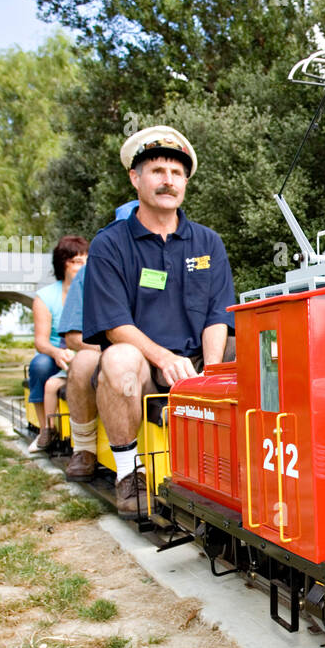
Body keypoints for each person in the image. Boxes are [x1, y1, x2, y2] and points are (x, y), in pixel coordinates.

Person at [82, 126, 235, 517]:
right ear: (135, 178)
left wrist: (210, 376)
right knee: (117, 360)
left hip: (199, 362)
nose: (168, 181)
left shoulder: (208, 242)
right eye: (158, 171)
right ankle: (129, 473)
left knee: (265, 348)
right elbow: (115, 323)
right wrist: (164, 359)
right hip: (147, 368)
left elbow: (219, 315)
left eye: (176, 173)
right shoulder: (109, 244)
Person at [55, 201, 138, 481]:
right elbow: (72, 336)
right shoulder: (88, 275)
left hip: (156, 353)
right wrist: (111, 347)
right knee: (82, 363)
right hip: (107, 352)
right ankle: (85, 449)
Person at [27, 235, 90, 452]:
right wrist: (56, 353)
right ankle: (46, 429)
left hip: (81, 350)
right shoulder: (45, 297)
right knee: (40, 365)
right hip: (56, 352)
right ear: (63, 264)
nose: (83, 267)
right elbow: (41, 341)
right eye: (76, 261)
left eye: (86, 261)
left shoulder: (92, 291)